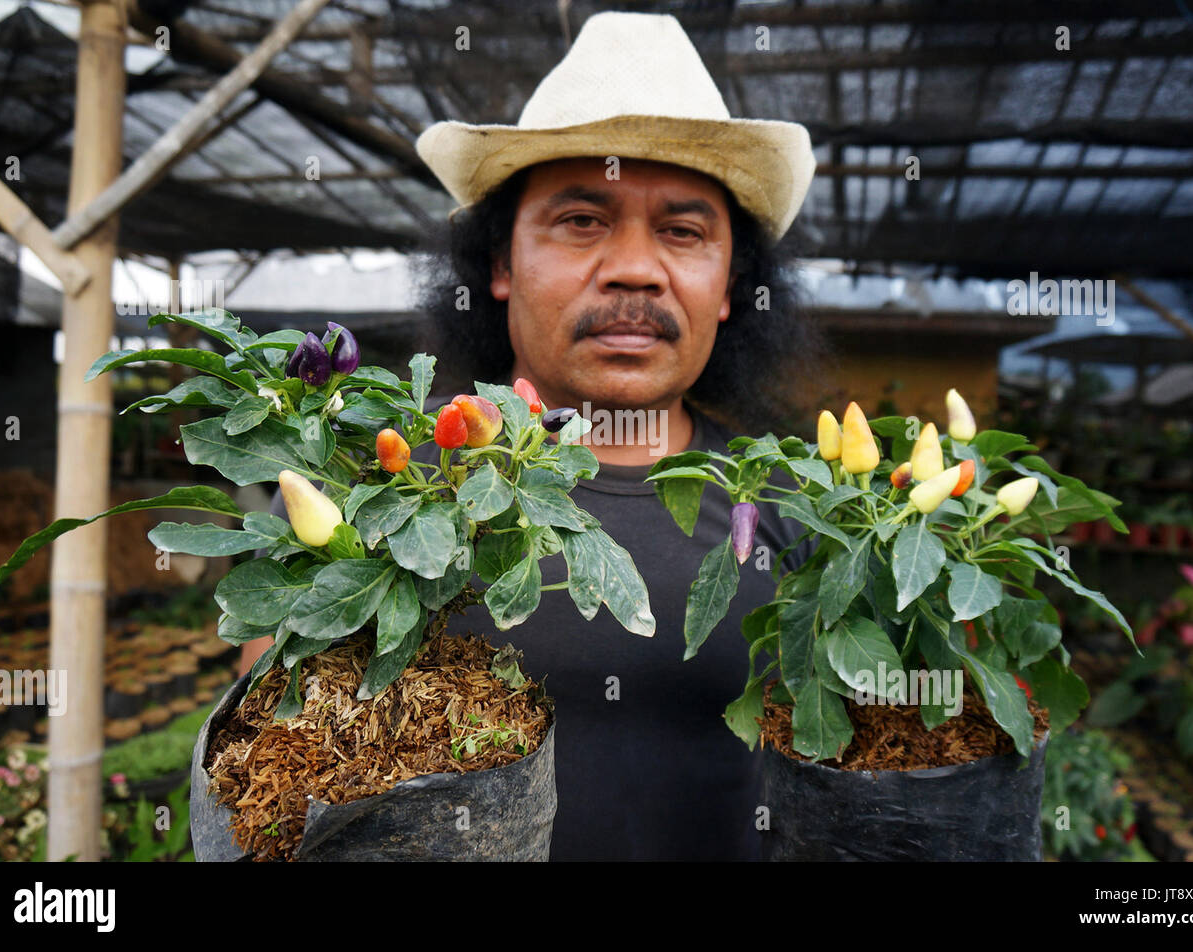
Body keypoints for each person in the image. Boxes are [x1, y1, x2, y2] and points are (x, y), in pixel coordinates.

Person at [242, 11, 824, 860]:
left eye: (684, 230)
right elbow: (267, 772)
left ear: (731, 287)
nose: (634, 266)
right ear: (501, 268)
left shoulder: (803, 512)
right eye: (582, 220)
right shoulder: (376, 494)